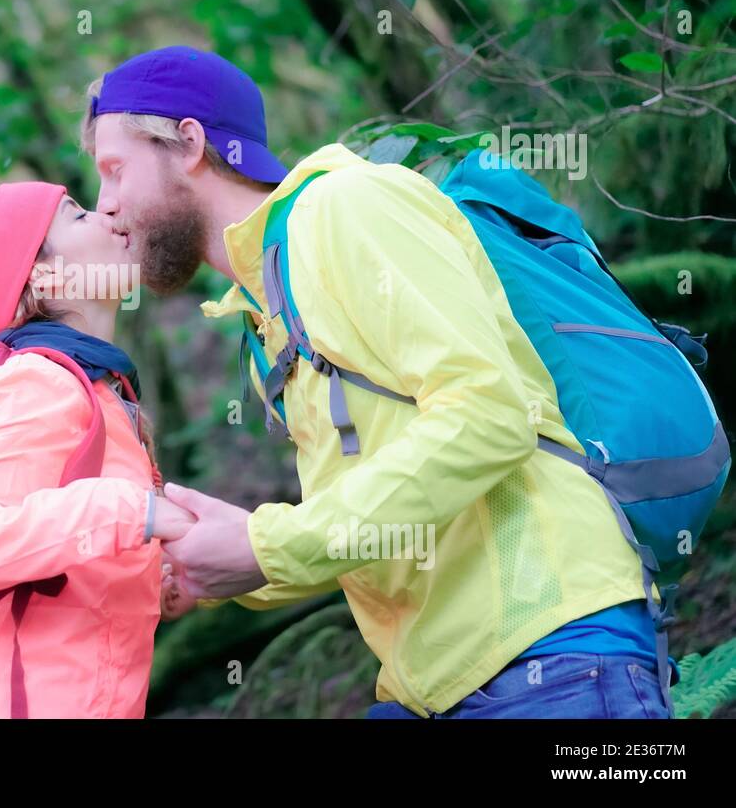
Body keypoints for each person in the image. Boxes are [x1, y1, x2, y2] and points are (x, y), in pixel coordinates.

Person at [80, 45, 670, 719]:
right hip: (438, 683)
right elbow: (372, 518)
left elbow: (488, 416)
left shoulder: (347, 207)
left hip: (550, 650)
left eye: (115, 170)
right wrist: (222, 561)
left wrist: (269, 547)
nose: (104, 206)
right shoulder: (268, 301)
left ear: (188, 144)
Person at [0, 181, 194, 719]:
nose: (105, 212)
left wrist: (147, 582)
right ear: (41, 274)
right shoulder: (39, 383)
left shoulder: (94, 387)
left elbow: (45, 557)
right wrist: (130, 511)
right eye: (77, 217)